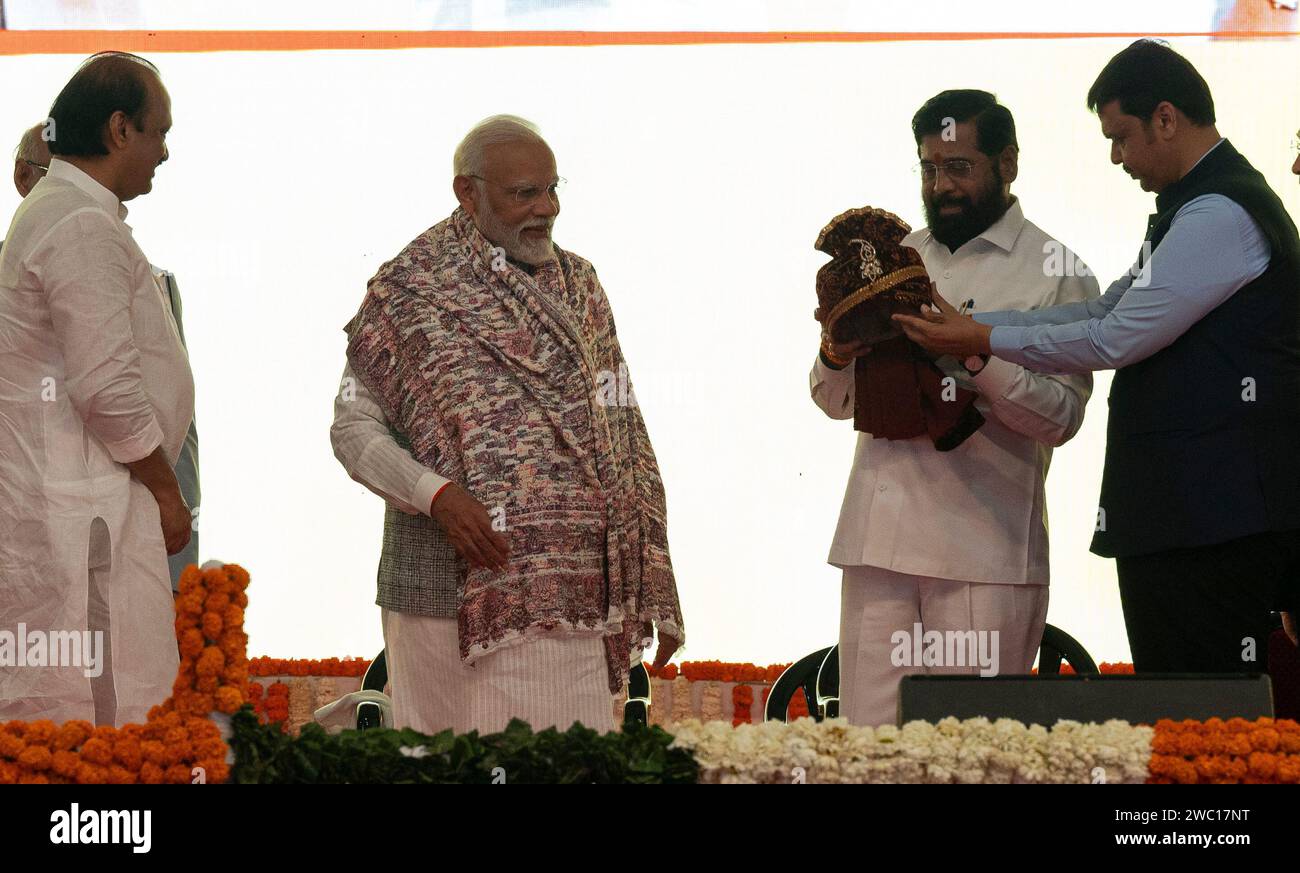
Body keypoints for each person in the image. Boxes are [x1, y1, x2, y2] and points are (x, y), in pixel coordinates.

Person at [895, 40, 1300, 674]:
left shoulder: (1220, 213)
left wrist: (978, 341)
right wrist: (973, 325)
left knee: (1201, 720)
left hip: (1214, 520)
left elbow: (1115, 340)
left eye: (1121, 137)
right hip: (1192, 515)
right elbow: (1103, 311)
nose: (1115, 157)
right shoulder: (1191, 207)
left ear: (1166, 118)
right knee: (1184, 707)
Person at [332, 115, 683, 735]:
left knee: (561, 771)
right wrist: (434, 496)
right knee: (445, 770)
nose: (546, 208)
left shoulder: (581, 286)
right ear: (467, 194)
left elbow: (622, 430)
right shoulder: (408, 293)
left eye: (553, 190)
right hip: (440, 591)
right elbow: (353, 431)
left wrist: (641, 560)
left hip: (572, 598)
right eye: (524, 193)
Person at [811, 90, 1098, 726]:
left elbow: (1062, 418)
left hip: (984, 553)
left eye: (960, 167)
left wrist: (974, 355)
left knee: (972, 760)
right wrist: (835, 352)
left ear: (1007, 164)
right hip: (877, 546)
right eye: (929, 168)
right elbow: (832, 400)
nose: (942, 185)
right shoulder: (889, 259)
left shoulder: (1057, 272)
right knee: (869, 754)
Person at [0, 52, 191, 726]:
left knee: (87, 704)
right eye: (158, 133)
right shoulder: (78, 221)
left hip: (84, 505)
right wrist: (169, 491)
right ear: (118, 130)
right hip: (86, 513)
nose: (164, 153)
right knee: (96, 717)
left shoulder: (68, 211)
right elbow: (107, 388)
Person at [11, 120, 201, 594]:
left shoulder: (152, 280)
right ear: (23, 178)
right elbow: (102, 390)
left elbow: (176, 418)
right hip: (29, 524)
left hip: (127, 521)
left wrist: (179, 508)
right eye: (56, 172)